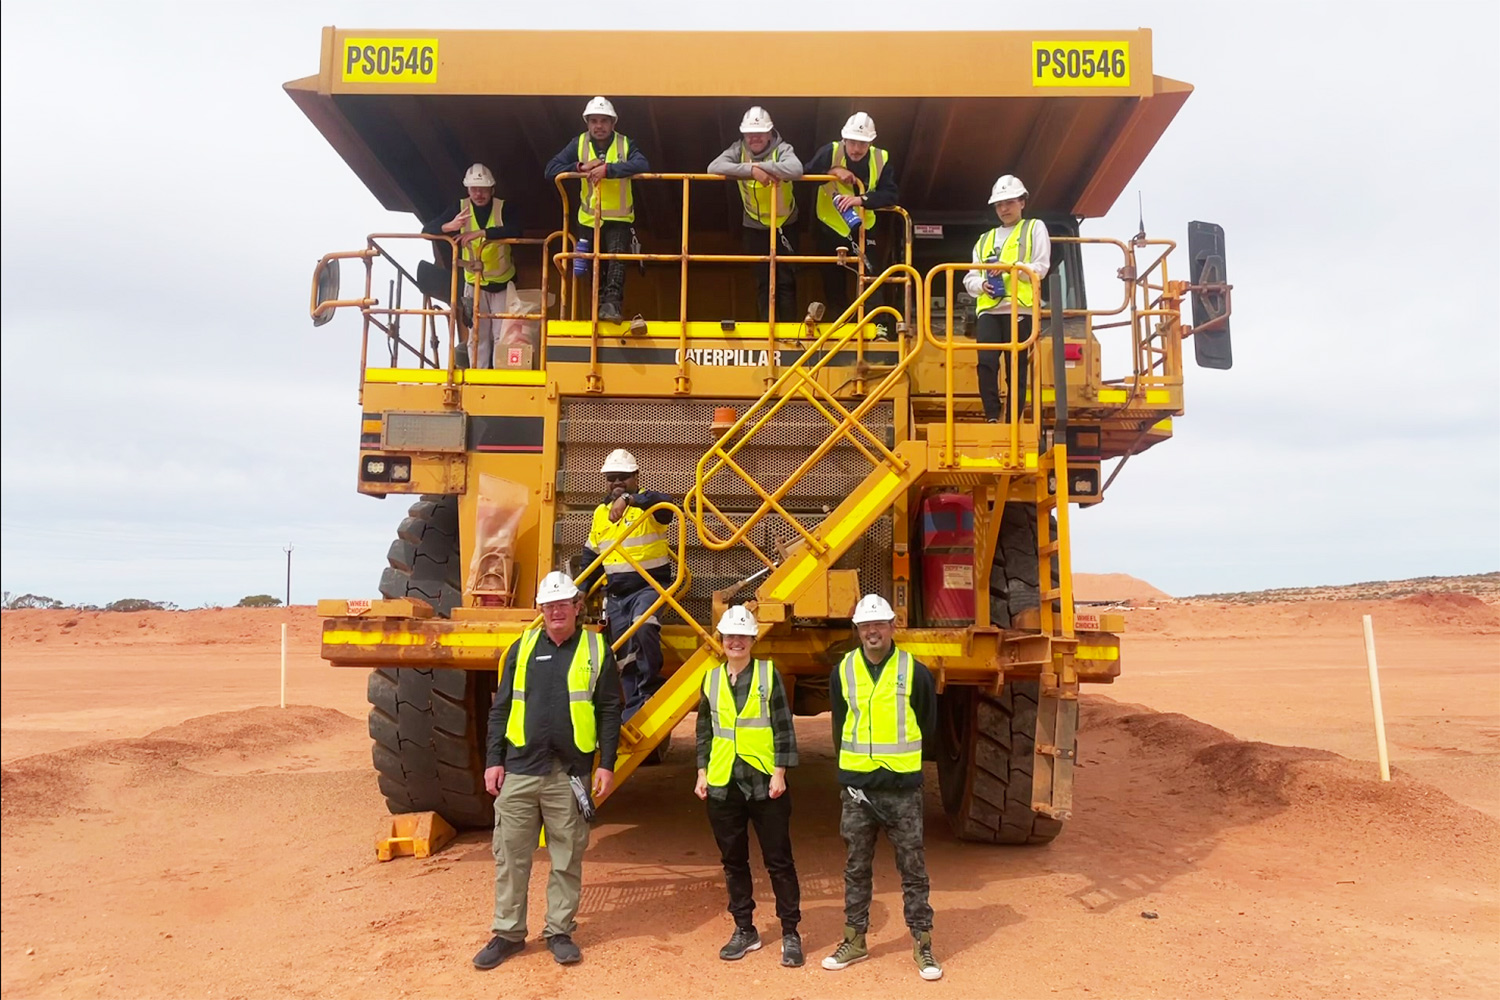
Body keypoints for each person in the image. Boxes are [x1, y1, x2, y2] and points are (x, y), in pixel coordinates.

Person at [475, 571, 622, 970]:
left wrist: (606, 763)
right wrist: (493, 760)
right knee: (511, 856)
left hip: (569, 773)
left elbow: (609, 709)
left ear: (577, 607)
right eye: (548, 605)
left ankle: (559, 931)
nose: (556, 611)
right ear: (540, 610)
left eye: (563, 604)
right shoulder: (522, 648)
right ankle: (507, 934)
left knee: (566, 856)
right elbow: (501, 709)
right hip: (521, 768)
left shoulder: (596, 648)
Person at [822, 594, 942, 982]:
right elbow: (840, 725)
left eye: (878, 624)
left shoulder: (915, 671)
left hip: (902, 789)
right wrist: (852, 772)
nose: (871, 631)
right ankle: (854, 940)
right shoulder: (843, 670)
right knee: (856, 868)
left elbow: (927, 722)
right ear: (857, 631)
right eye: (864, 626)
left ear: (892, 627)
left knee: (913, 868)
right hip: (858, 791)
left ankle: (923, 945)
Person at [694, 605, 803, 967]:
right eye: (730, 636)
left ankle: (790, 932)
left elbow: (784, 727)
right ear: (722, 641)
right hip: (724, 783)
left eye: (742, 636)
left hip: (763, 782)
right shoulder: (710, 680)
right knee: (733, 862)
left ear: (753, 639)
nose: (735, 641)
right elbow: (705, 731)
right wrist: (701, 772)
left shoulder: (769, 676)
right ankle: (745, 929)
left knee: (779, 861)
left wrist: (780, 772)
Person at [580, 448, 674, 721]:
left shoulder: (649, 505)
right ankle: (636, 709)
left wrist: (628, 499)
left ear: (636, 477)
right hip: (617, 596)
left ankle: (650, 687)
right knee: (623, 654)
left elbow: (666, 504)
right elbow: (591, 556)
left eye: (623, 477)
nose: (616, 483)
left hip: (649, 588)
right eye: (611, 478)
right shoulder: (600, 513)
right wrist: (581, 591)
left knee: (644, 628)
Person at [544, 97, 651, 322]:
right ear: (587, 123)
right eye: (594, 121)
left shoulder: (625, 144)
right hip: (588, 219)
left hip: (619, 218)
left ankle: (611, 306)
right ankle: (598, 305)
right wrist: (580, 167)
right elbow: (551, 169)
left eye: (604, 121)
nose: (599, 126)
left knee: (616, 261)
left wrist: (608, 169)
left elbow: (642, 165)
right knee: (593, 263)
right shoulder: (579, 143)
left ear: (613, 123)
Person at [963, 174, 1051, 423]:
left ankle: (1012, 418)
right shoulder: (984, 240)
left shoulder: (1034, 228)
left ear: (1022, 202)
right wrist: (982, 285)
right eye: (999, 204)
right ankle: (992, 415)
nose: (1004, 208)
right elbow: (970, 278)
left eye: (1009, 202)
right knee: (986, 363)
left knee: (1017, 368)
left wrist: (1010, 267)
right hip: (989, 310)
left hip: (1019, 309)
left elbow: (1041, 267)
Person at [708, 106, 804, 322]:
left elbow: (796, 169)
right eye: (750, 134)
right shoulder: (738, 149)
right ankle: (765, 327)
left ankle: (788, 328)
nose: (754, 138)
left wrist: (764, 167)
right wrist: (751, 170)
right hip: (755, 226)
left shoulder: (783, 149)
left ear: (770, 133)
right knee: (763, 281)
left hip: (785, 225)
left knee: (786, 281)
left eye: (759, 134)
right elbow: (713, 167)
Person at [422, 163, 521, 369]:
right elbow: (426, 230)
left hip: (502, 282)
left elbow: (517, 230)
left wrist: (482, 233)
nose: (479, 194)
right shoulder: (459, 208)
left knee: (501, 334)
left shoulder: (503, 208)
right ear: (468, 190)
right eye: (474, 189)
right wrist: (448, 227)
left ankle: (499, 377)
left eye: (483, 189)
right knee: (477, 334)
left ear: (492, 189)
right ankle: (479, 374)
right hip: (474, 284)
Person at [804, 112, 900, 319]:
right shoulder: (830, 151)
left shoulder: (880, 158)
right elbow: (805, 175)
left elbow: (891, 194)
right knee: (833, 280)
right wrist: (832, 171)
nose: (857, 149)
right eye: (853, 143)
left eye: (863, 144)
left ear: (871, 142)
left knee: (871, 276)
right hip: (830, 226)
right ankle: (842, 324)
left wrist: (861, 200)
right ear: (844, 139)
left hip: (864, 227)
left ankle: (877, 326)